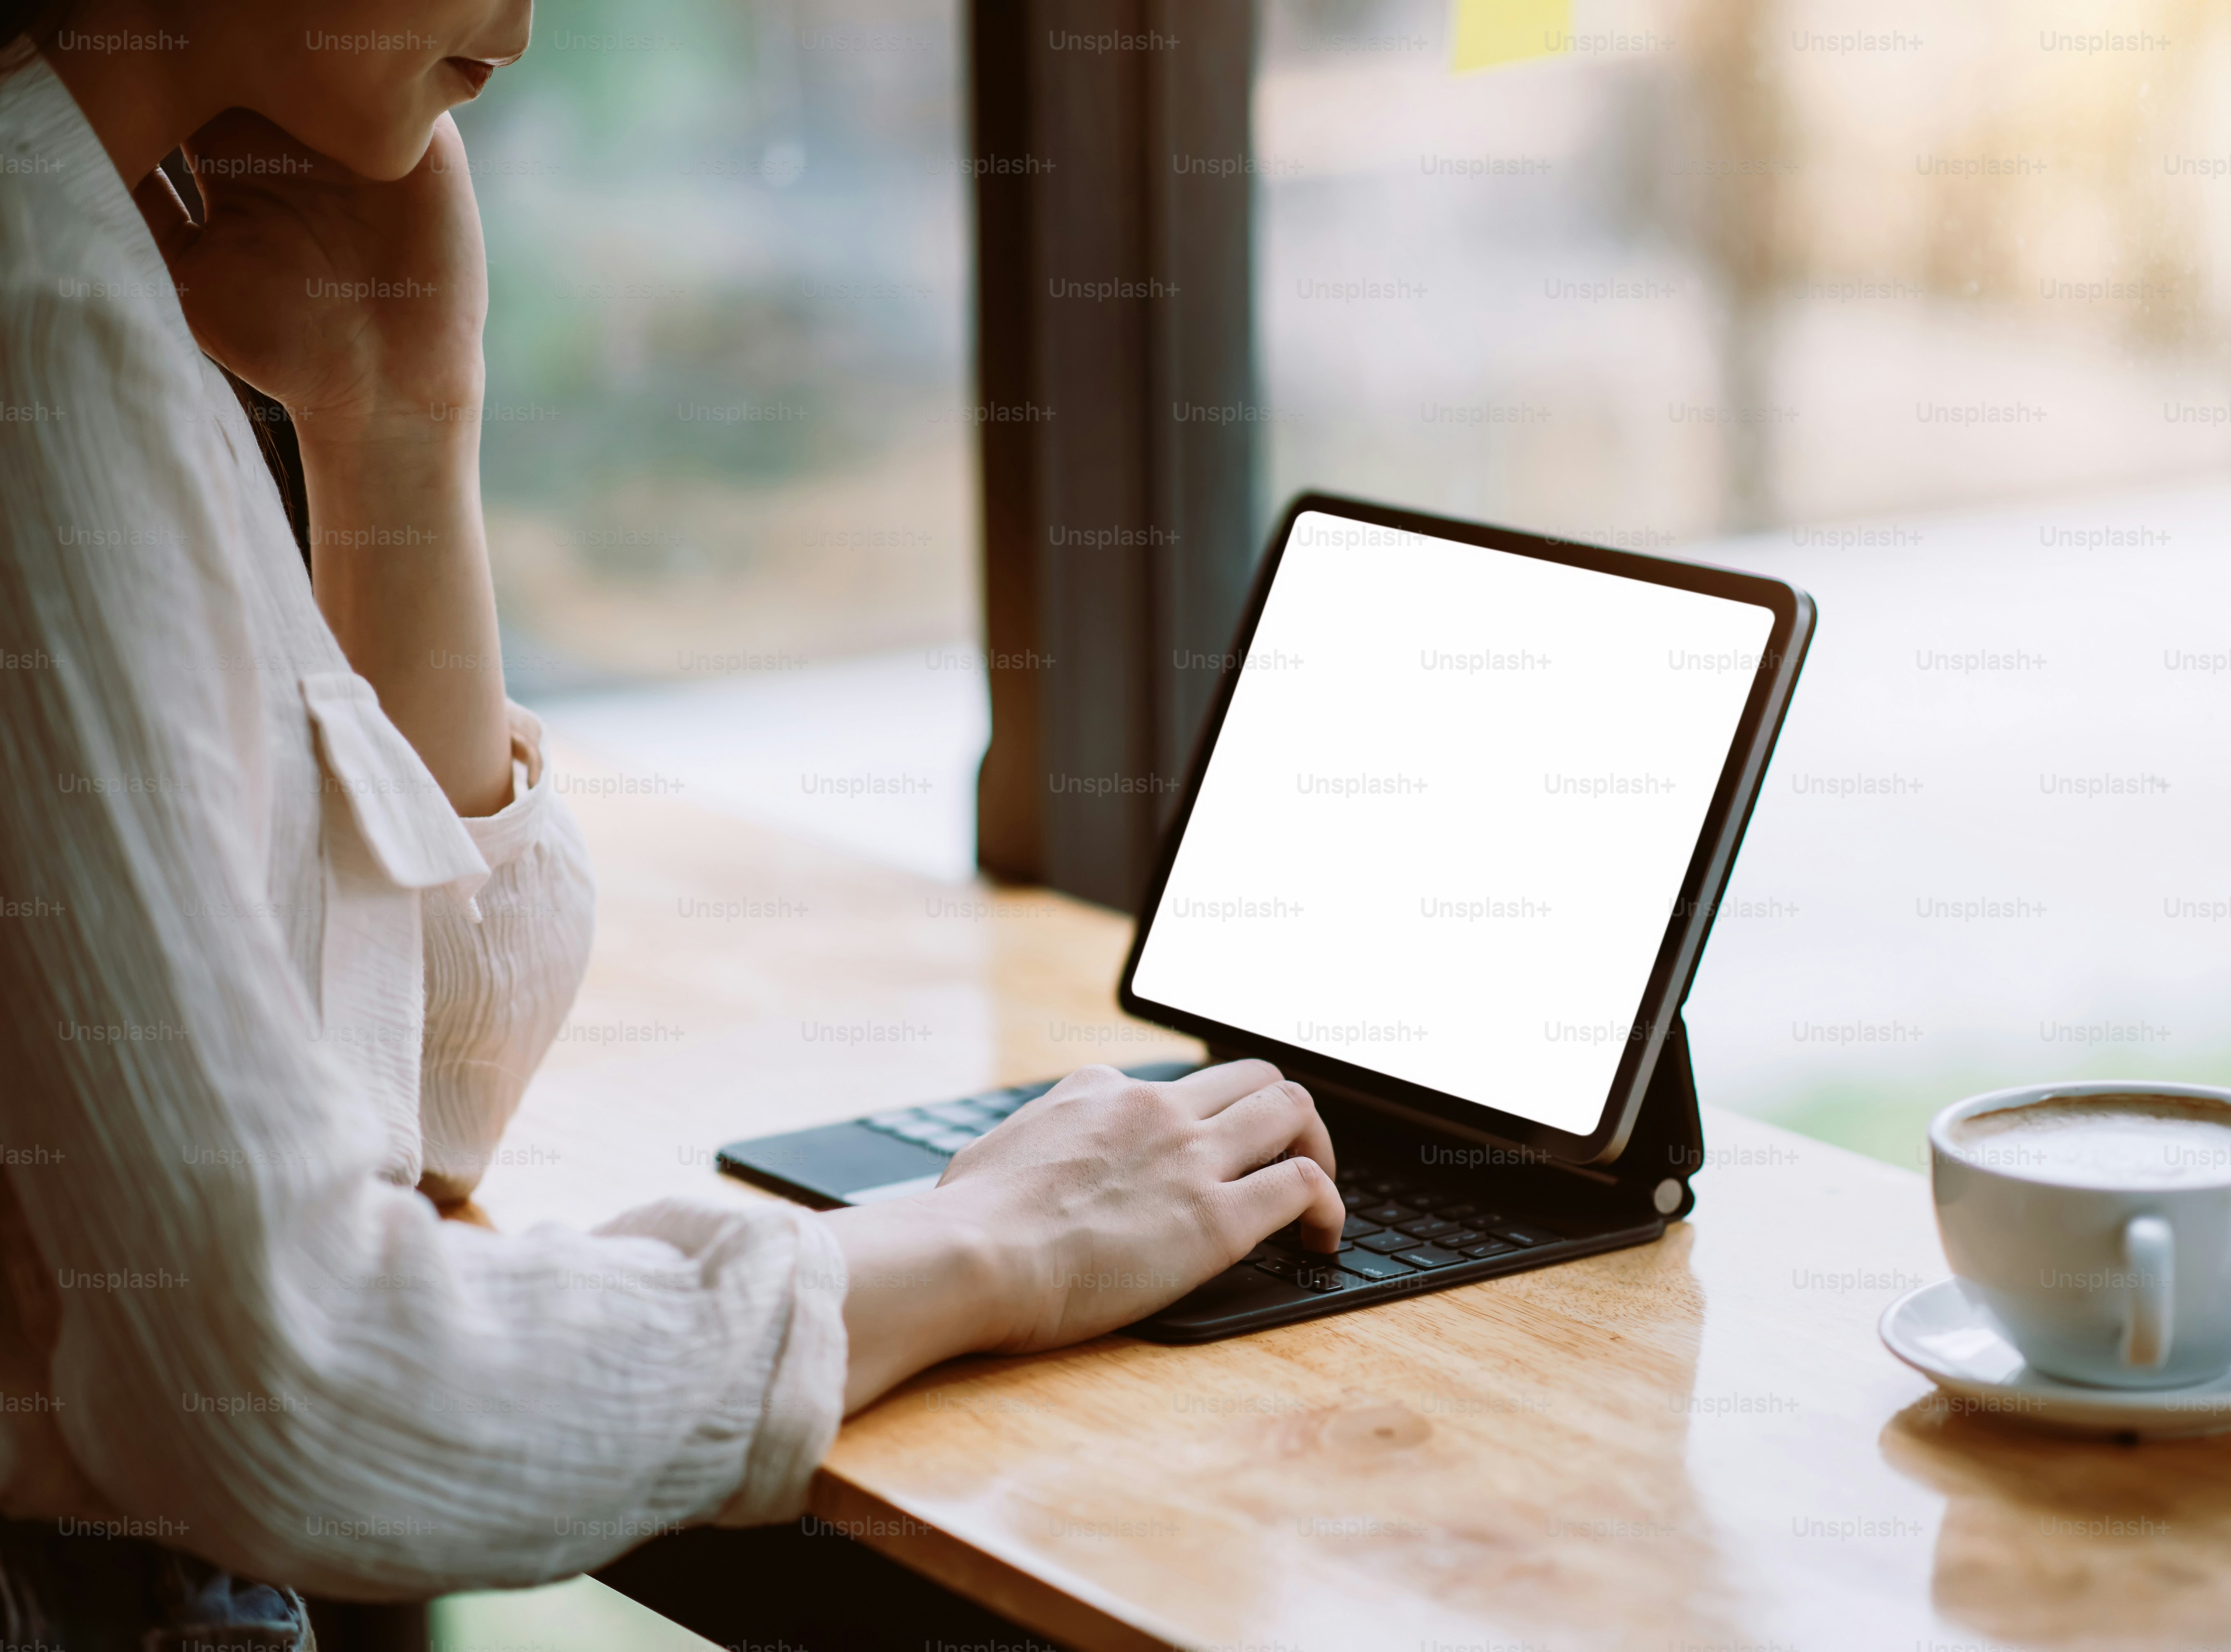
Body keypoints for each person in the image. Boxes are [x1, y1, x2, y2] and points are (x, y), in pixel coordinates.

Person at [0, 0, 1342, 1640]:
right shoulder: (39, 319)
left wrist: (401, 428)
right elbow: (290, 1381)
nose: (535, 16)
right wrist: (990, 1244)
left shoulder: (69, 249)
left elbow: (405, 1096)